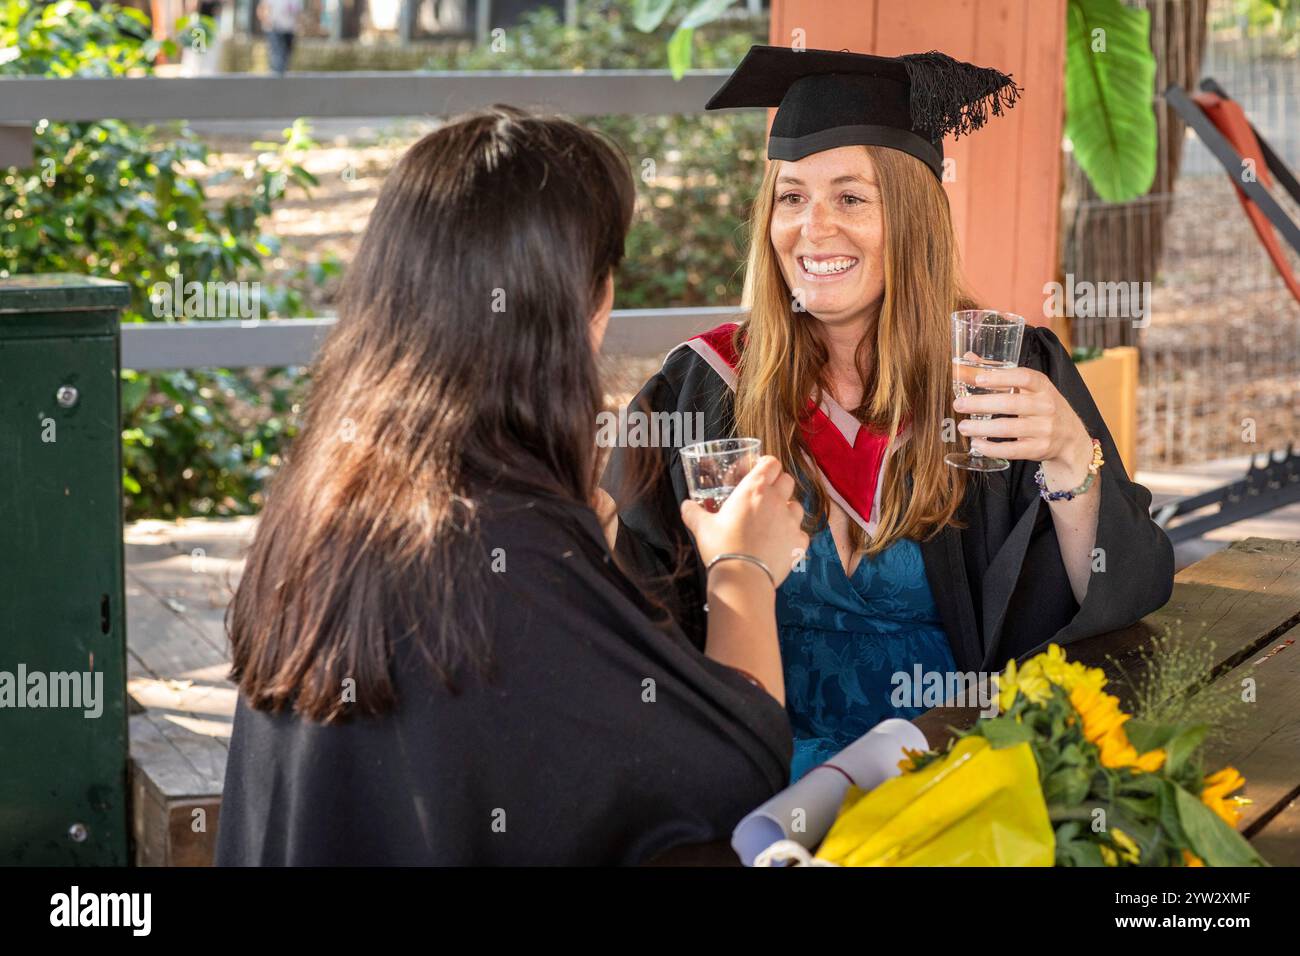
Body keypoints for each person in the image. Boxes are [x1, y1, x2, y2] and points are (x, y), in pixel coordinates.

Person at [215, 107, 807, 866]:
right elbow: (730, 779)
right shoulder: (498, 549)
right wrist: (744, 570)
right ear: (575, 310)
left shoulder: (330, 492)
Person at [604, 46, 1176, 780]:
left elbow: (1120, 595)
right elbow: (636, 607)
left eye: (850, 198)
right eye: (791, 196)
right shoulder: (701, 387)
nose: (812, 228)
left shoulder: (1004, 375)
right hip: (760, 780)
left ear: (911, 218)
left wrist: (1071, 461)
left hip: (953, 774)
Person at [262, 0, 301, 75]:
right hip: (275, 29)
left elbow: (298, 13)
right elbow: (264, 8)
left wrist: (298, 25)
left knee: (286, 55)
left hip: (289, 30)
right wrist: (267, 22)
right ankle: (275, 76)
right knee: (277, 55)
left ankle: (283, 77)